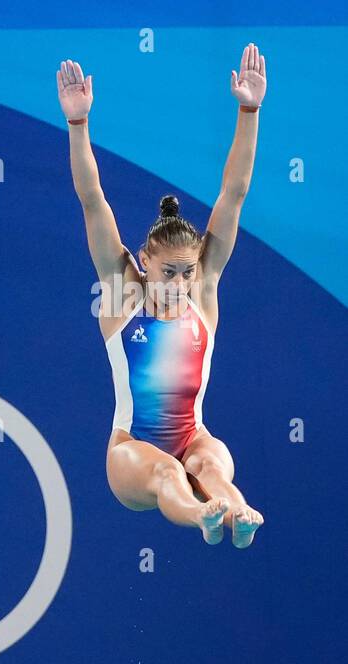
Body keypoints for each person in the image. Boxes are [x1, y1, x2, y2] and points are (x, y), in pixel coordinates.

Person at [58, 45, 266, 547]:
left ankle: (236, 516)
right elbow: (92, 200)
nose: (179, 284)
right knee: (171, 477)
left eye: (187, 273)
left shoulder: (203, 293)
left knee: (211, 464)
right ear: (144, 263)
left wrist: (249, 111)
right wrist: (78, 124)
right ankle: (205, 519)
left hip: (191, 436)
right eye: (168, 273)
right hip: (132, 453)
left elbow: (233, 194)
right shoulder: (120, 294)